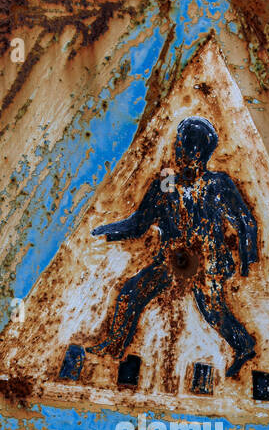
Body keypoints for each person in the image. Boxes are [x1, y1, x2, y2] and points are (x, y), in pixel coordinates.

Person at [89, 117, 258, 378]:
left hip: (207, 262)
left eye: (181, 143)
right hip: (172, 260)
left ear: (196, 150)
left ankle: (244, 346)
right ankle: (114, 345)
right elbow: (140, 223)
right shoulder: (167, 183)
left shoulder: (217, 184)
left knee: (214, 312)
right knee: (131, 292)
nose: (177, 148)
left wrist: (248, 262)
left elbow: (246, 223)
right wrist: (106, 232)